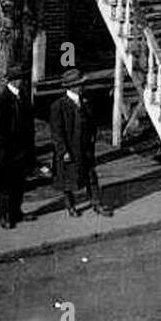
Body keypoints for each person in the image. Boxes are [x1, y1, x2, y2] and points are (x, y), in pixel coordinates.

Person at [48, 69, 112, 217]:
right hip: (69, 148)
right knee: (68, 179)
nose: (83, 87)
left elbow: (91, 124)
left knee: (91, 175)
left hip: (85, 147)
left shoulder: (85, 102)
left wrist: (92, 139)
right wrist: (63, 151)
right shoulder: (58, 106)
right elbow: (57, 132)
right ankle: (70, 206)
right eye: (80, 84)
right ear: (72, 87)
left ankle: (96, 203)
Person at [0, 71, 35, 229]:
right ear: (12, 80)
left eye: (22, 79)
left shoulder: (23, 97)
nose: (21, 82)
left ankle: (16, 212)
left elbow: (28, 124)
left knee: (19, 184)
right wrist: (5, 146)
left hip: (21, 149)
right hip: (6, 151)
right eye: (19, 79)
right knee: (5, 186)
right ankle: (3, 216)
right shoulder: (2, 100)